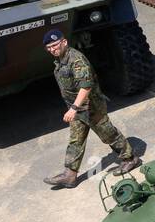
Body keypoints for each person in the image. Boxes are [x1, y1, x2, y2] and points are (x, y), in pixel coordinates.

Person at [42, 29, 140, 189]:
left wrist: (73, 108)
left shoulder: (76, 60)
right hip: (78, 109)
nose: (52, 49)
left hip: (91, 107)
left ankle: (130, 159)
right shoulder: (61, 60)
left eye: (55, 45)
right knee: (76, 140)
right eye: (49, 48)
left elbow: (86, 86)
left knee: (108, 134)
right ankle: (70, 175)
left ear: (64, 42)